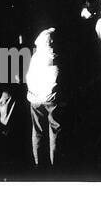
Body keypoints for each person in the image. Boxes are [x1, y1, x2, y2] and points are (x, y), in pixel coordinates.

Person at [25, 28, 63, 168]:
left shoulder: (35, 57)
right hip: (51, 99)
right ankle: (55, 164)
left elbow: (29, 76)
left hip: (34, 99)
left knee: (37, 131)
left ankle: (38, 163)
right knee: (55, 131)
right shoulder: (55, 56)